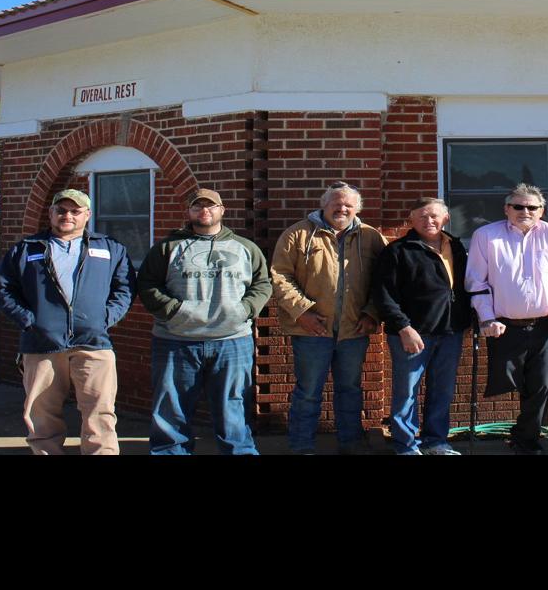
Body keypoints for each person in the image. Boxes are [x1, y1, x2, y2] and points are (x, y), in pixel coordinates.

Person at [0, 188, 132, 455]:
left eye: (75, 211)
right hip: (42, 345)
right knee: (42, 418)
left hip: (94, 343)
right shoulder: (26, 249)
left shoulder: (109, 248)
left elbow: (124, 288)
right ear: (51, 213)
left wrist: (105, 318)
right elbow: (2, 290)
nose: (68, 215)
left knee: (100, 414)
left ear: (87, 215)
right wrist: (29, 321)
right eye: (62, 210)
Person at [136, 187, 272, 455]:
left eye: (210, 206)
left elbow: (263, 283)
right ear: (188, 212)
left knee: (232, 407)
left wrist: (245, 309)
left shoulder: (246, 248)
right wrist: (174, 311)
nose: (204, 211)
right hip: (176, 341)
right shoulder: (167, 247)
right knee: (171, 409)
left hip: (231, 341)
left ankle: (240, 452)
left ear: (222, 210)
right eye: (197, 206)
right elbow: (147, 284)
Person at [270, 181, 386, 455]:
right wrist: (302, 313)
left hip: (354, 330)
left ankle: (350, 444)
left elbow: (385, 281)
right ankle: (302, 447)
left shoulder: (371, 237)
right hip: (312, 330)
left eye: (348, 205)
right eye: (336, 203)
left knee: (350, 390)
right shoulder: (297, 234)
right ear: (324, 205)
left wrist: (372, 313)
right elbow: (280, 276)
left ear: (357, 208)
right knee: (308, 392)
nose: (342, 208)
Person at [464, 183, 548, 455]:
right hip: (504, 327)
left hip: (545, 325)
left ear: (542, 210)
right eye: (518, 206)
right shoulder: (486, 236)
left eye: (532, 207)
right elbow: (476, 282)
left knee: (540, 386)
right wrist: (487, 319)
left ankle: (525, 439)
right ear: (507, 209)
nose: (525, 211)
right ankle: (521, 431)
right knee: (507, 380)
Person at [373, 197, 470, 456]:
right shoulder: (397, 251)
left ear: (446, 218)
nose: (429, 221)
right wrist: (404, 327)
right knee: (406, 393)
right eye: (422, 216)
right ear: (411, 220)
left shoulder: (457, 247)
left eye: (434, 216)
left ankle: (435, 442)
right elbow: (384, 296)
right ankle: (405, 445)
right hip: (412, 334)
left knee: (442, 391)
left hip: (450, 331)